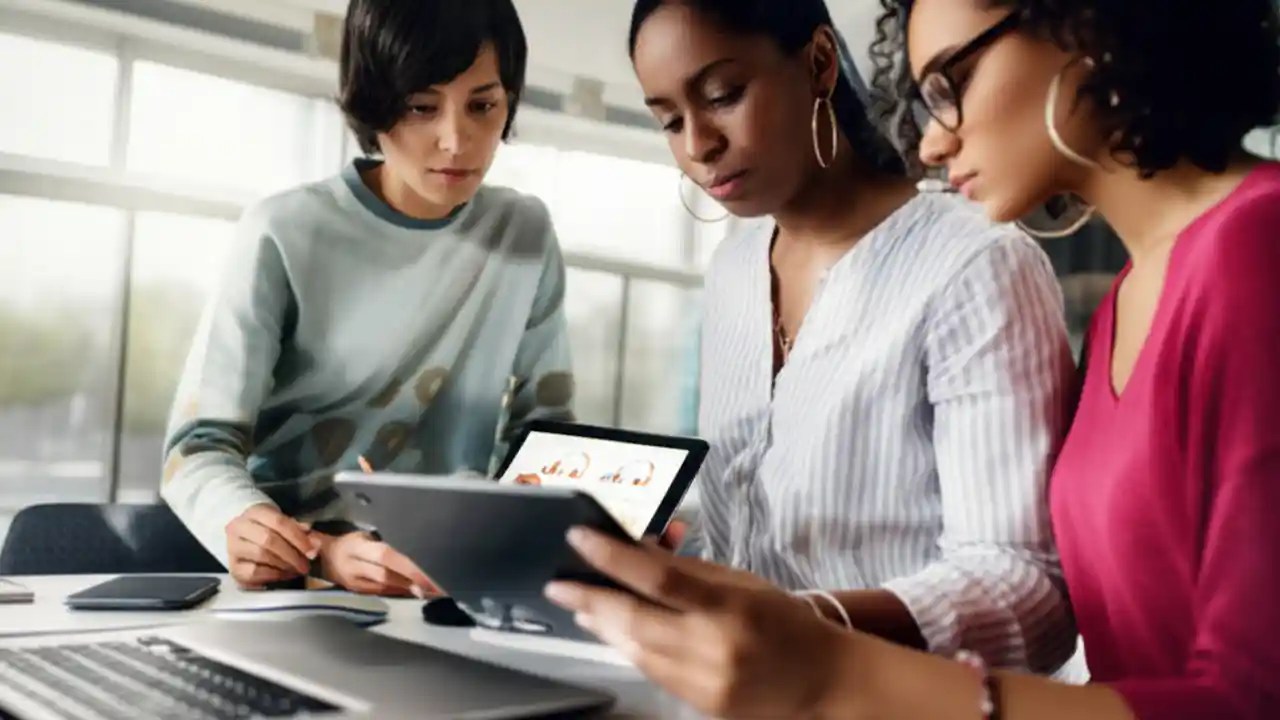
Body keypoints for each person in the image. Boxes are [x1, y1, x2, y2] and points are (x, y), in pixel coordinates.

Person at [545, 0, 1280, 717]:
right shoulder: (1130, 296)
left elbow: (1244, 692)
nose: (929, 142)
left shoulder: (1252, 248)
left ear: (1084, 24)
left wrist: (827, 664)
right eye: (668, 121)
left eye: (951, 85)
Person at [626, 0, 1076, 671]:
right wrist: (665, 575)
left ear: (819, 63)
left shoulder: (974, 263)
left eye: (722, 96)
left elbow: (1028, 593)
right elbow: (746, 556)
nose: (697, 145)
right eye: (668, 120)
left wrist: (807, 623)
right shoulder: (732, 270)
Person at [161, 0, 575, 596]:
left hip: (447, 579)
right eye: (420, 107)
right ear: (375, 104)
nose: (456, 140)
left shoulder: (525, 233)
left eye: (482, 106)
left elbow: (545, 434)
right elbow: (199, 446)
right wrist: (316, 552)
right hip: (296, 582)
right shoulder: (284, 230)